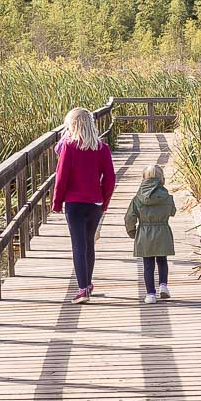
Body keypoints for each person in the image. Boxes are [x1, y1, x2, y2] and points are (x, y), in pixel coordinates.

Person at [51, 106, 116, 302]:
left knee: (78, 245)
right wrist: (104, 201)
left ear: (73, 125)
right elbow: (111, 178)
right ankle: (87, 284)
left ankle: (82, 289)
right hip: (94, 203)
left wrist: (57, 202)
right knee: (89, 244)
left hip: (74, 203)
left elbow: (61, 177)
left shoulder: (69, 148)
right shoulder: (102, 148)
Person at [124, 164, 177, 303]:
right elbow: (173, 211)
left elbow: (129, 218)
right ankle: (163, 285)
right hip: (163, 231)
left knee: (148, 265)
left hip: (144, 233)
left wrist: (132, 232)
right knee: (162, 260)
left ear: (144, 178)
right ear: (161, 179)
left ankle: (151, 294)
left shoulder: (137, 198)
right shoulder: (167, 197)